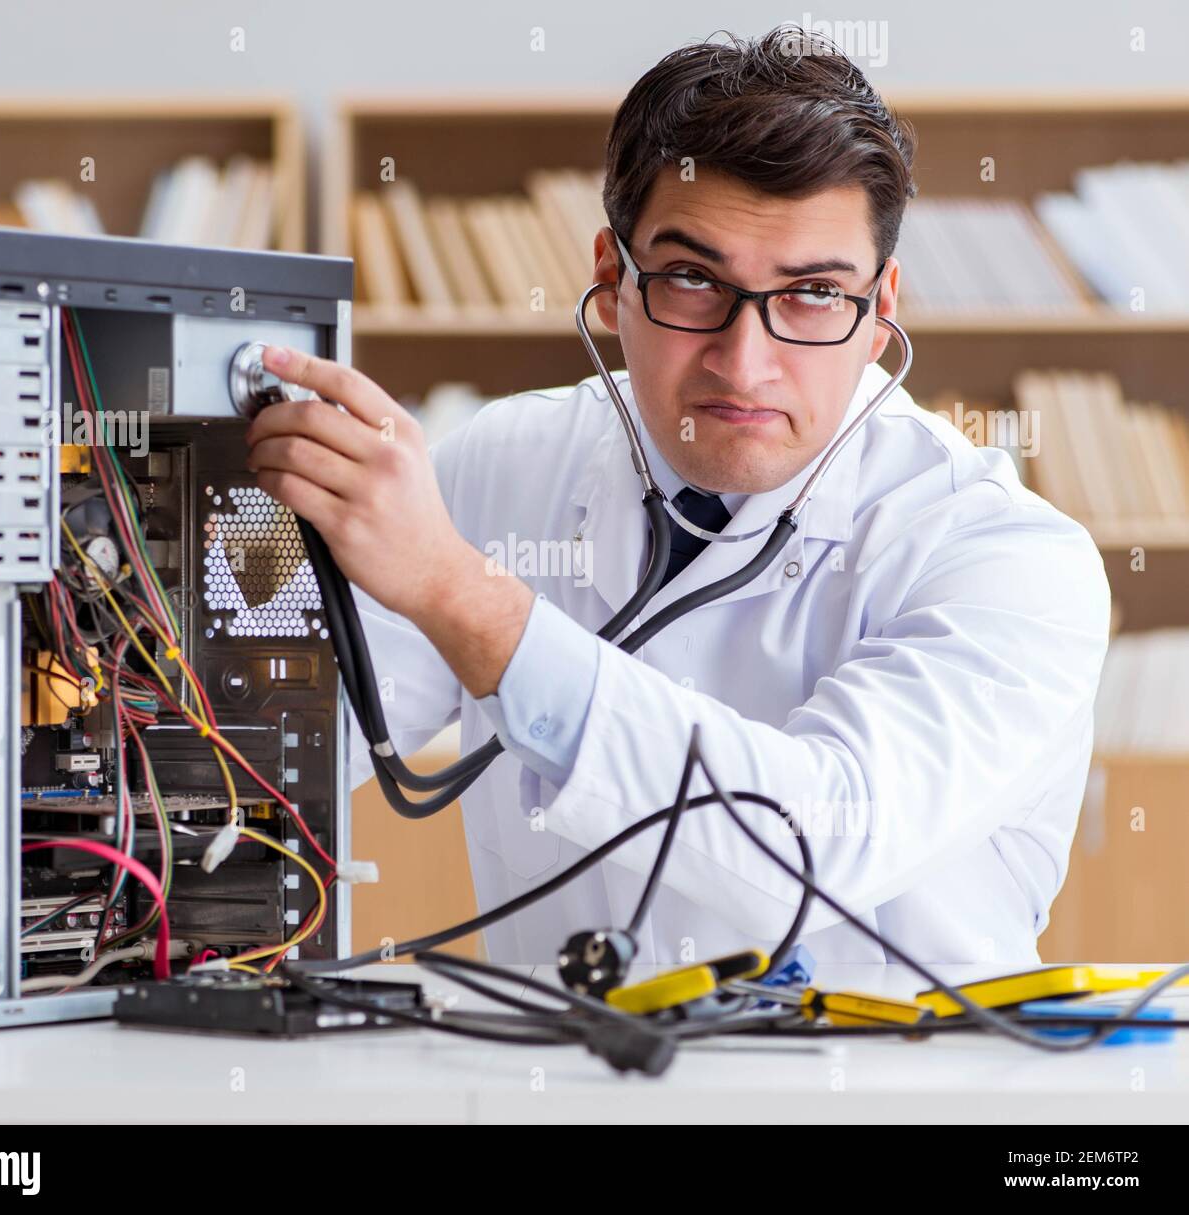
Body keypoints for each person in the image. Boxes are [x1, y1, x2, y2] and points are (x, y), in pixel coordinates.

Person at [244, 25, 1111, 967]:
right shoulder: (504, 463)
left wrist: (466, 598)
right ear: (613, 281)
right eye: (694, 279)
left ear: (880, 313)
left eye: (812, 293)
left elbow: (807, 845)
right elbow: (283, 746)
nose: (746, 362)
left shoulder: (1008, 555)